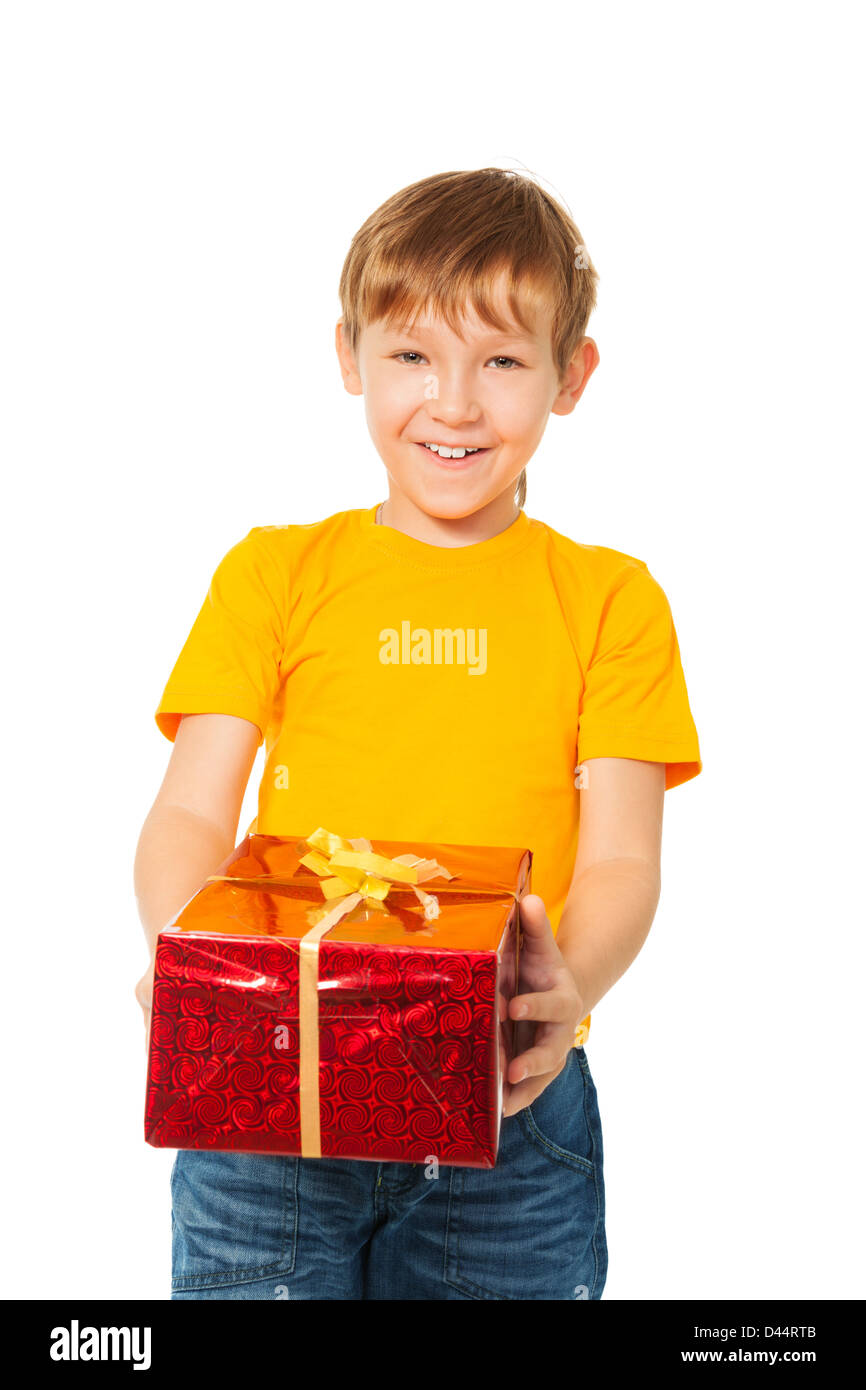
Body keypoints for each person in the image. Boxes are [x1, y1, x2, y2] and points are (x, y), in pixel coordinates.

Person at [134, 167, 702, 1300]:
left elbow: (624, 860)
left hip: (507, 1104)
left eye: (501, 362)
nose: (453, 403)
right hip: (274, 1085)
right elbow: (193, 807)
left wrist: (565, 989)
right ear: (348, 356)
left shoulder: (610, 601)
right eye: (410, 355)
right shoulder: (274, 573)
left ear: (571, 375)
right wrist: (188, 952)